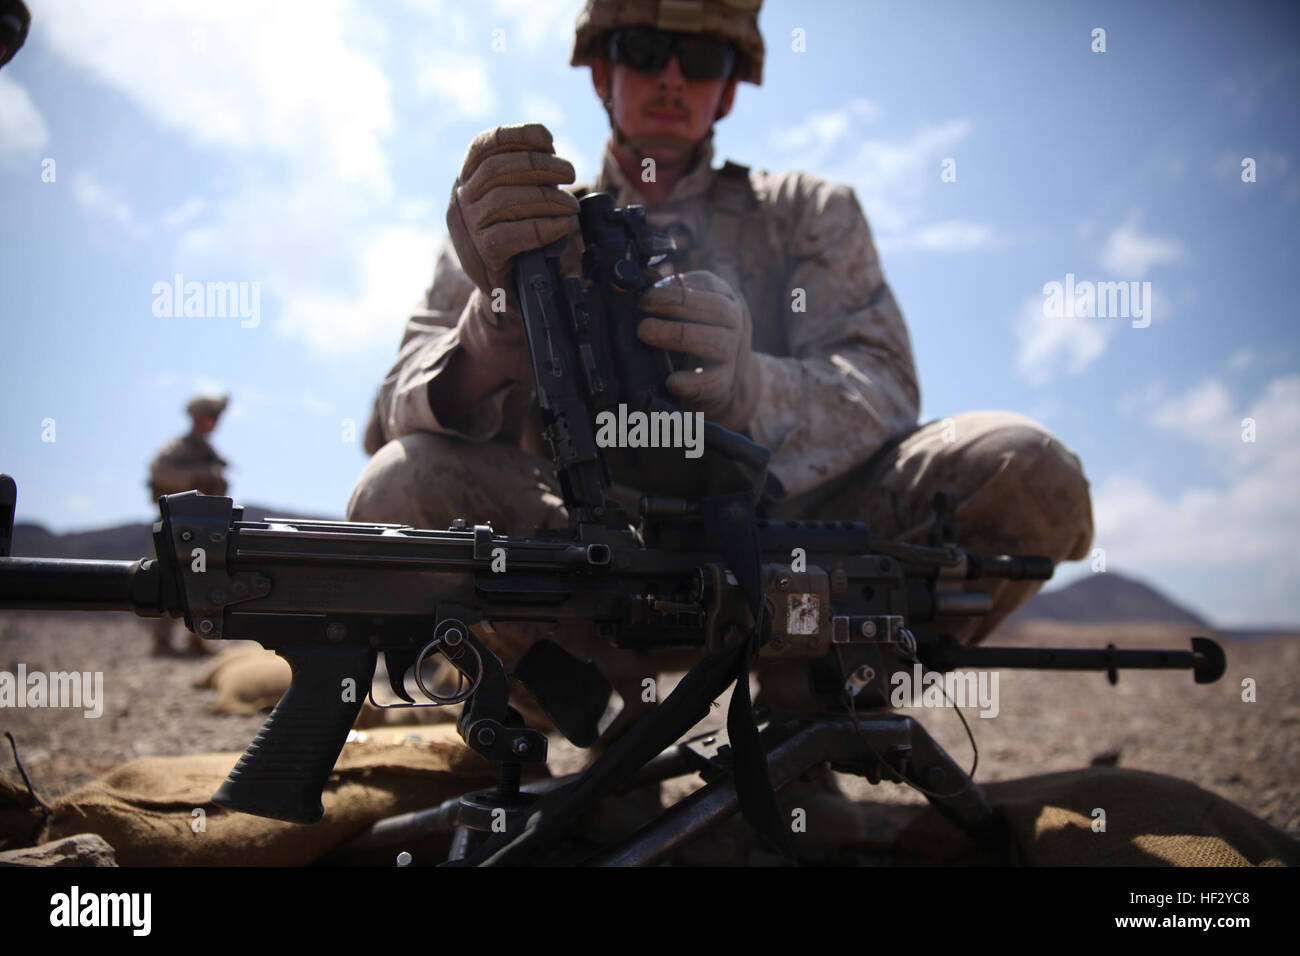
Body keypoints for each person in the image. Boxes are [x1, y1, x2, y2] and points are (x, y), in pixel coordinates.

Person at [349, 0, 1093, 713]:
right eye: (642, 52)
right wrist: (491, 336)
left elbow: (884, 385)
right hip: (574, 556)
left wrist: (748, 387)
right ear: (601, 76)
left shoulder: (808, 211)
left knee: (1027, 470)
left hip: (783, 554)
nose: (672, 78)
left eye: (701, 59)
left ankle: (812, 737)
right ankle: (598, 748)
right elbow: (387, 423)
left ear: (731, 88)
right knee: (399, 488)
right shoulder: (518, 222)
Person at [146, 394, 230, 656]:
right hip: (177, 525)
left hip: (204, 528)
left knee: (201, 580)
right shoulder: (177, 448)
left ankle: (197, 638)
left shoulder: (206, 450)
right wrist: (200, 474)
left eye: (217, 417)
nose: (215, 422)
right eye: (211, 416)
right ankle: (161, 642)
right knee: (168, 578)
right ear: (197, 417)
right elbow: (160, 472)